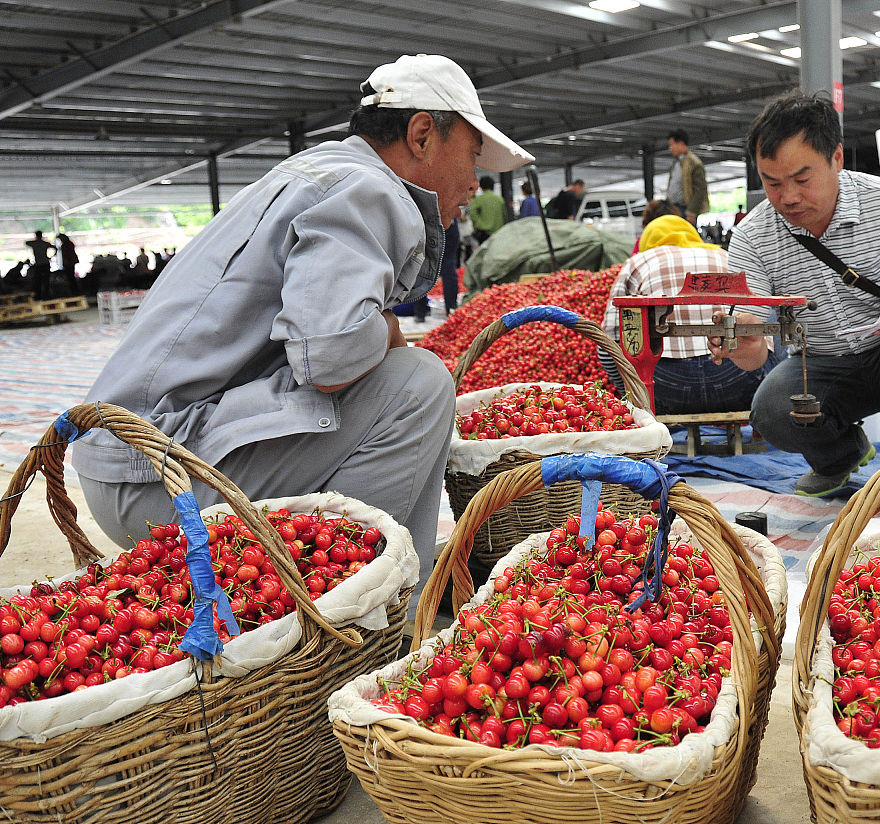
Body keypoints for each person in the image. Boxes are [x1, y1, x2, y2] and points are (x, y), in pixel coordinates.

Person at [73, 53, 533, 615]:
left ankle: (383, 587)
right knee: (419, 384)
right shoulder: (369, 189)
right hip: (158, 478)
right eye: (472, 153)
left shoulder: (317, 172)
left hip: (131, 458)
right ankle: (350, 603)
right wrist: (386, 328)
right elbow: (331, 354)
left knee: (400, 381)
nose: (474, 181)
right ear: (420, 135)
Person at [710, 92, 880, 518]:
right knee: (770, 408)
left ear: (837, 158)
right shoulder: (753, 236)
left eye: (801, 179)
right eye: (772, 183)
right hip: (822, 365)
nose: (787, 196)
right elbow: (755, 352)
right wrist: (738, 340)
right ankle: (840, 456)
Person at [602, 215, 780, 414]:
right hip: (740, 380)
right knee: (773, 318)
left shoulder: (638, 261)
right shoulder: (724, 255)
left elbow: (608, 343)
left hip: (664, 385)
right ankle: (765, 411)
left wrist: (632, 397)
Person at [665, 129, 709, 225]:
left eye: (672, 145)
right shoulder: (676, 163)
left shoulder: (694, 163)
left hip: (685, 209)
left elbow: (700, 190)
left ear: (680, 143)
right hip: (674, 208)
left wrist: (692, 212)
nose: (670, 148)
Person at [467, 175, 505, 244]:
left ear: (481, 187)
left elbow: (472, 212)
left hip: (485, 233)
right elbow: (505, 215)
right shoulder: (500, 199)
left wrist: (480, 224)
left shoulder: (479, 199)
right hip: (499, 232)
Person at [25, 230, 53, 300]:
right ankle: (46, 295)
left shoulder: (34, 244)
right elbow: (54, 247)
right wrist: (50, 257)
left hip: (38, 264)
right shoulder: (45, 243)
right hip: (45, 263)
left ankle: (39, 296)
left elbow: (26, 243)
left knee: (38, 281)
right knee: (46, 280)